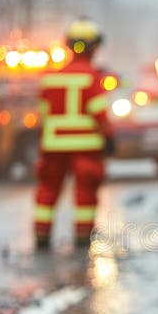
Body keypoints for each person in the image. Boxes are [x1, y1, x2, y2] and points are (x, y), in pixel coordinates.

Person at [34, 18, 114, 248]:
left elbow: (43, 113)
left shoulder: (50, 78)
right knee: (85, 193)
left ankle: (41, 234)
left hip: (53, 146)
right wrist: (109, 137)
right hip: (85, 147)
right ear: (93, 47)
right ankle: (81, 237)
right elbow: (99, 113)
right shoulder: (92, 77)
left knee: (47, 190)